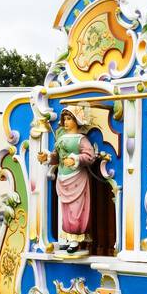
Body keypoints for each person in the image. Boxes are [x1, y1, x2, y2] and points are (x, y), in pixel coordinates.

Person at [44, 107, 98, 251]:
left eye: (69, 119)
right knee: (66, 210)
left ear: (77, 120)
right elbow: (57, 157)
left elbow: (90, 156)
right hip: (63, 178)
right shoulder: (60, 139)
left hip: (77, 179)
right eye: (65, 119)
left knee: (77, 209)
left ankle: (76, 239)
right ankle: (67, 237)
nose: (66, 122)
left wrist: (75, 160)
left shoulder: (81, 139)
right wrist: (48, 157)